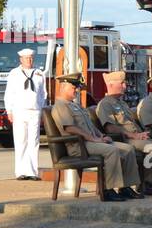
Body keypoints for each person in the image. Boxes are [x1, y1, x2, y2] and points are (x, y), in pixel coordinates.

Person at [50, 72, 141, 201]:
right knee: (112, 150)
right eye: (73, 87)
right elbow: (70, 128)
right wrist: (92, 138)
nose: (76, 90)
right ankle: (108, 190)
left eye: (77, 87)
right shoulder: (60, 106)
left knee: (127, 149)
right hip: (78, 146)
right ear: (63, 87)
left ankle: (125, 187)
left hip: (91, 142)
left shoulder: (75, 106)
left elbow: (90, 127)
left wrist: (101, 136)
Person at [94, 70, 152, 195]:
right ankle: (147, 183)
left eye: (125, 83)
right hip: (124, 139)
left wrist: (143, 133)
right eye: (121, 83)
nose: (125, 86)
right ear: (111, 85)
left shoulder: (122, 104)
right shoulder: (105, 104)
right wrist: (133, 135)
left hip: (138, 137)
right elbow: (110, 128)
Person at [4, 47, 45, 179]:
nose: (29, 60)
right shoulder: (14, 73)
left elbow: (43, 94)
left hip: (35, 111)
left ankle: (32, 171)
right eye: (26, 58)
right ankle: (20, 171)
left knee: (34, 141)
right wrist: (9, 110)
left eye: (31, 57)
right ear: (21, 59)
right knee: (21, 141)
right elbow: (9, 93)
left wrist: (41, 108)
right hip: (19, 111)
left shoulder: (39, 73)